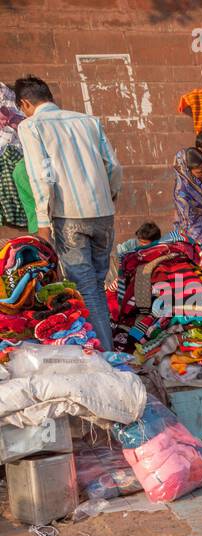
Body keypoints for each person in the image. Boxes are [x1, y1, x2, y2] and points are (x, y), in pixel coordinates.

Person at [13, 74, 121, 350]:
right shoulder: (88, 121)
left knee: (87, 288)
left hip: (69, 216)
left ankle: (105, 354)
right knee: (96, 286)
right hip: (103, 213)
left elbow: (40, 175)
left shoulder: (31, 126)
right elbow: (113, 167)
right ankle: (103, 348)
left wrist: (43, 221)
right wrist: (109, 196)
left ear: (25, 103)